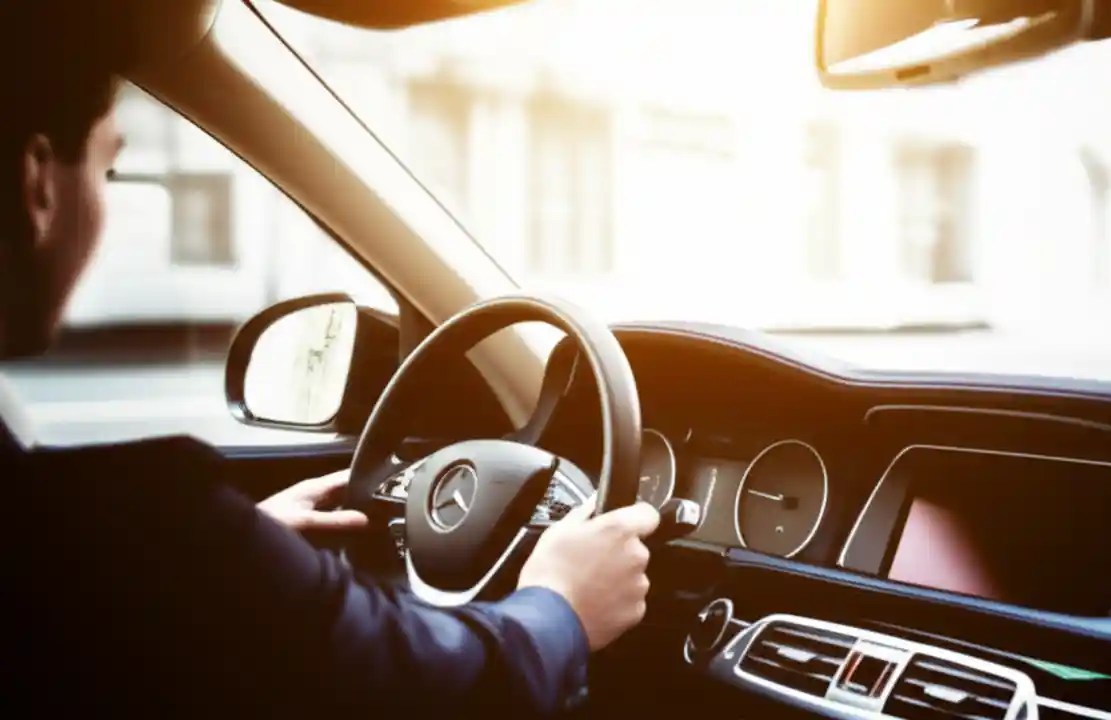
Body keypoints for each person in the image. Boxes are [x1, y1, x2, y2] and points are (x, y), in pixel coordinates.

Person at [0, 2, 660, 716]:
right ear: (38, 184)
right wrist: (560, 605)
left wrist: (248, 561)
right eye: (110, 170)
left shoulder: (97, 543)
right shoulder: (154, 528)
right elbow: (430, 693)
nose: (104, 202)